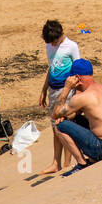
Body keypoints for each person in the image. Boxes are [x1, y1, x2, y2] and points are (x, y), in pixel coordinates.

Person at [51, 59, 102, 171]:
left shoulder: (83, 97)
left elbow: (55, 113)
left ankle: (82, 164)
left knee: (59, 126)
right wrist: (66, 117)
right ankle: (88, 159)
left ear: (77, 78)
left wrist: (66, 89)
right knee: (70, 120)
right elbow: (76, 114)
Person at [38, 20, 81, 173]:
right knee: (54, 126)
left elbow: (78, 71)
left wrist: (73, 92)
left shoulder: (72, 46)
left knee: (64, 125)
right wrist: (43, 90)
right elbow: (51, 68)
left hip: (67, 90)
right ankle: (56, 163)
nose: (53, 45)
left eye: (55, 42)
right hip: (53, 90)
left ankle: (67, 163)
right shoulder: (49, 45)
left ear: (60, 35)